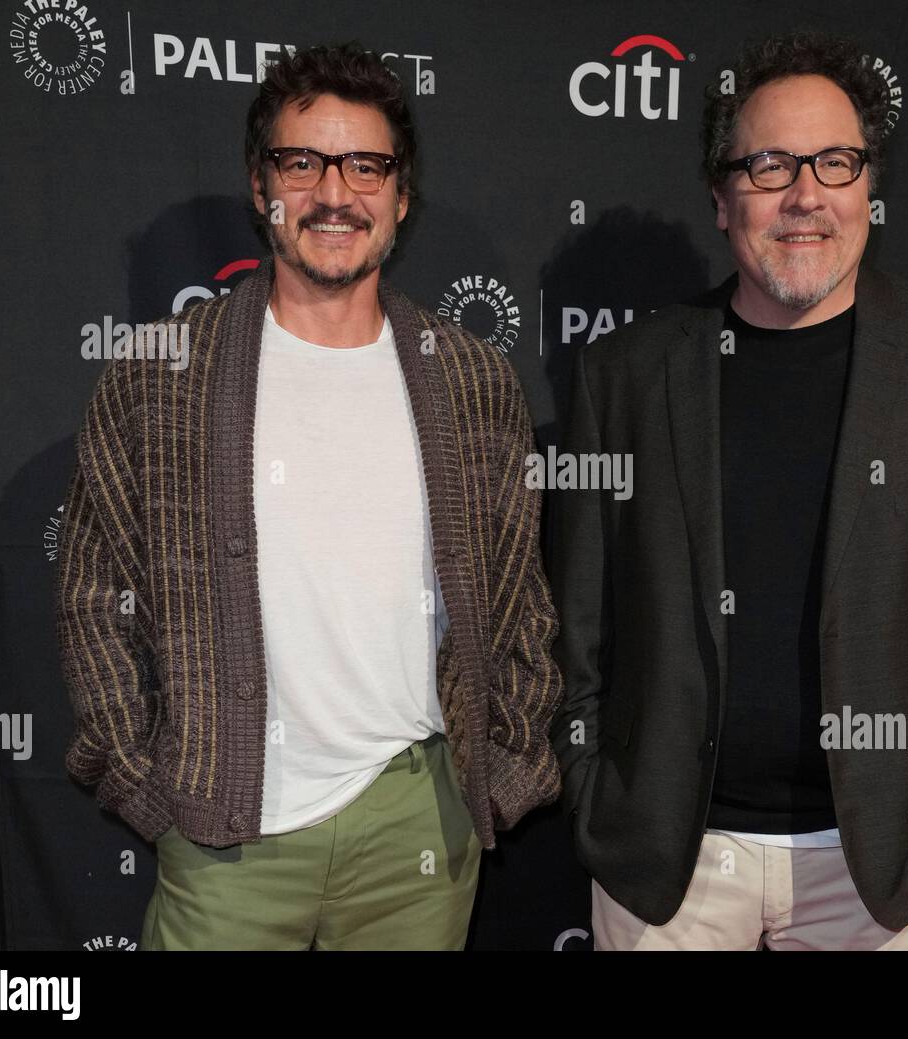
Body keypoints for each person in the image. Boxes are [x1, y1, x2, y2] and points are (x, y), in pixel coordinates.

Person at [549, 29, 908, 950]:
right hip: (669, 865)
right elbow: (576, 620)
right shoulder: (624, 375)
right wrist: (595, 788)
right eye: (770, 165)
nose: (805, 196)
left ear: (869, 184)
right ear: (720, 194)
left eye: (834, 162)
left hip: (883, 864)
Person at [55, 41, 562, 950]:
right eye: (303, 162)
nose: (336, 193)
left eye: (366, 165)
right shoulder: (157, 379)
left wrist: (505, 765)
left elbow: (519, 596)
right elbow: (95, 599)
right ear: (262, 187)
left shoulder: (472, 381)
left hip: (419, 829)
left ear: (401, 196)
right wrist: (144, 784)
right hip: (223, 839)